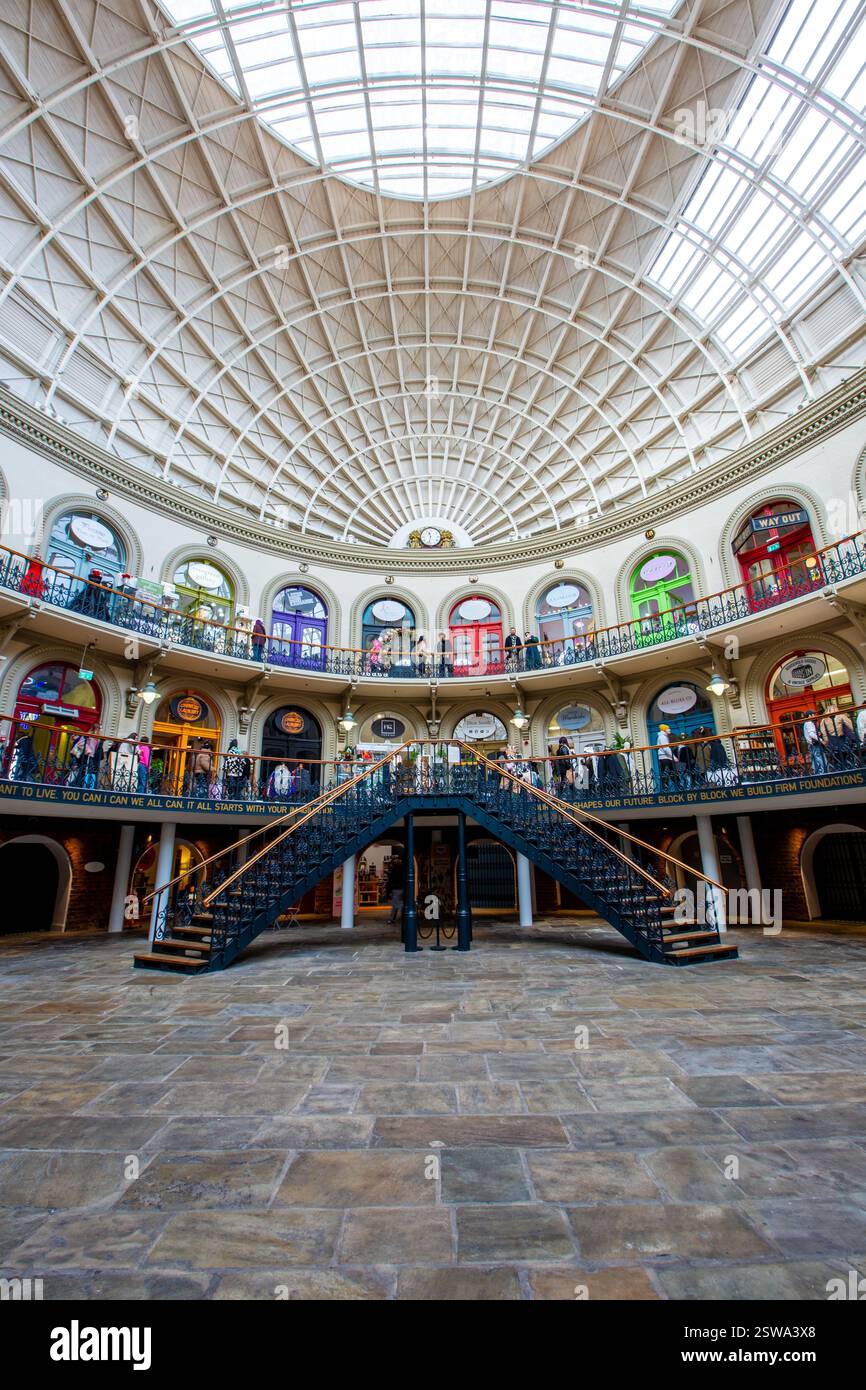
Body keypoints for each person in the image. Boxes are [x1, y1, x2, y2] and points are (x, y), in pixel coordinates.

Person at [656, 723, 677, 790]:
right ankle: (666, 788)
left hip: (666, 757)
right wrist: (673, 757)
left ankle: (677, 786)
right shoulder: (662, 737)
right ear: (664, 729)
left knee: (670, 773)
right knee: (667, 773)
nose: (669, 729)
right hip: (665, 757)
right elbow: (665, 748)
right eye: (668, 728)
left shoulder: (663, 736)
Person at [386, 855, 404, 925]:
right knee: (402, 904)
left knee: (395, 905)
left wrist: (388, 892)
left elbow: (390, 881)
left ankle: (391, 919)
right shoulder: (403, 870)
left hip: (396, 889)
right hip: (402, 888)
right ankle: (403, 917)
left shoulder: (393, 871)